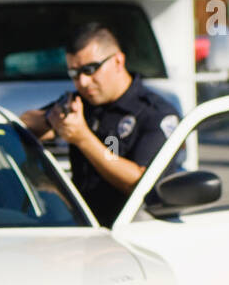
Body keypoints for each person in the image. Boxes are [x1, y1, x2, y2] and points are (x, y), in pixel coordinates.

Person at [20, 22, 182, 227]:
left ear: (118, 61)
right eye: (74, 73)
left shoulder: (155, 113)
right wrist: (52, 119)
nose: (83, 82)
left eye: (90, 69)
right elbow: (22, 124)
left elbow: (140, 183)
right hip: (84, 226)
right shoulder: (80, 103)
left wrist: (82, 138)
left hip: (133, 230)